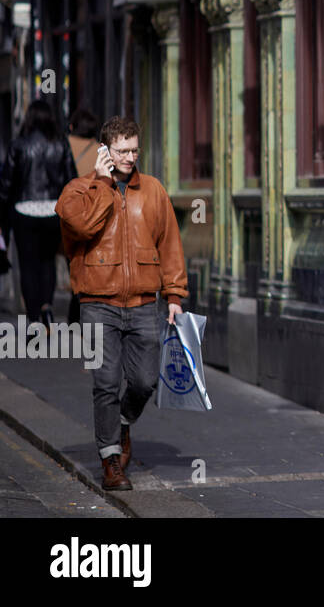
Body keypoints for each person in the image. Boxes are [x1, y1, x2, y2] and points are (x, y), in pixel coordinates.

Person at [55, 115, 187, 492]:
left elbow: (170, 245)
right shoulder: (77, 191)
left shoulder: (154, 191)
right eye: (122, 151)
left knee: (145, 381)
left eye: (134, 150)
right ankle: (111, 460)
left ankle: (123, 422)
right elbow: (82, 228)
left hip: (145, 302)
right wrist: (101, 182)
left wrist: (174, 294)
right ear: (105, 151)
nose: (129, 157)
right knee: (106, 383)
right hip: (98, 303)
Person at [1, 100, 77, 328]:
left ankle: (33, 317)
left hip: (23, 211)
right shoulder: (61, 144)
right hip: (52, 211)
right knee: (48, 263)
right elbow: (71, 179)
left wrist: (4, 216)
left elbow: (6, 184)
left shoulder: (18, 145)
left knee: (28, 265)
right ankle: (47, 307)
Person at [65, 107, 102, 326]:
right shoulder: (101, 151)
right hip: (96, 210)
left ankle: (75, 311)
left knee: (75, 260)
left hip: (73, 211)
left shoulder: (65, 146)